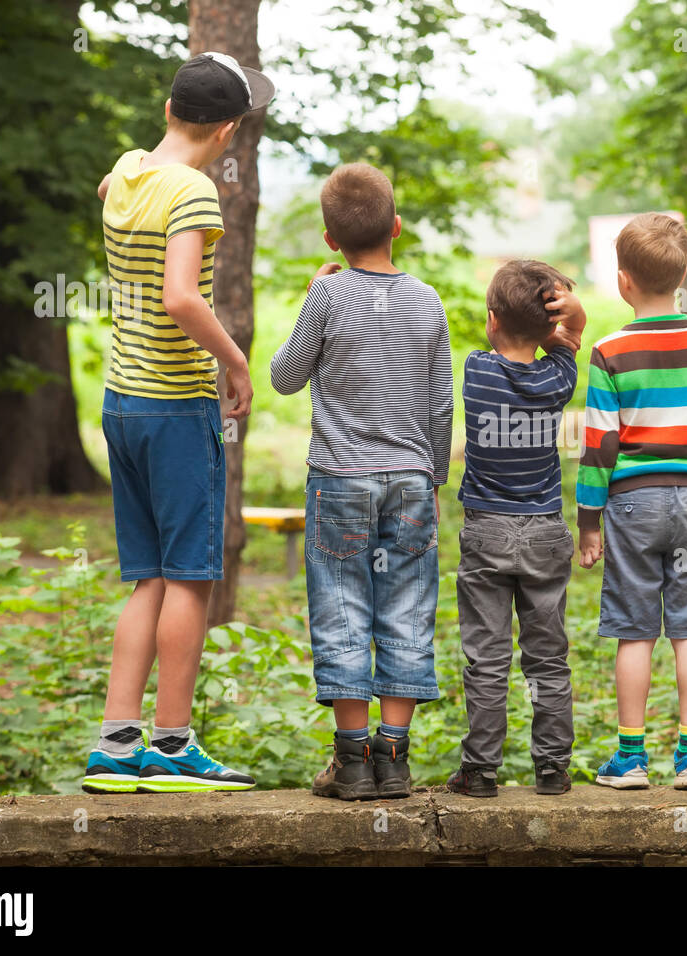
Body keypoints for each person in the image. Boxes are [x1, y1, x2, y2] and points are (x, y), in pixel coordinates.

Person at [83, 52, 274, 794]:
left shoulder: (129, 169)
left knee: (148, 577)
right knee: (189, 578)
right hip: (172, 402)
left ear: (169, 111)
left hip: (121, 402)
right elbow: (180, 298)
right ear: (226, 129)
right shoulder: (194, 192)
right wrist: (235, 362)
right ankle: (170, 744)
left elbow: (109, 182)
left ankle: (114, 744)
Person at [270, 162, 453, 801]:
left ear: (330, 242)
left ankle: (351, 764)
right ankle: (394, 759)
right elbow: (439, 399)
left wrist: (312, 298)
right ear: (396, 228)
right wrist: (437, 472)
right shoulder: (427, 300)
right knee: (407, 610)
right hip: (409, 479)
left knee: (342, 609)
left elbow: (285, 376)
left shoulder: (327, 294)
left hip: (339, 481)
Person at [577, 212, 687, 790]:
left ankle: (630, 758)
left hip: (632, 504)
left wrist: (588, 521)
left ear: (624, 280)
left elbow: (598, 445)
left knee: (634, 629)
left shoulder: (608, 351)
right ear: (682, 277)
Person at [444, 260, 587, 798]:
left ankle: (480, 771)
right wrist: (571, 323)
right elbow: (568, 343)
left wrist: (554, 328)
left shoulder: (476, 371)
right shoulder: (558, 379)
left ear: (491, 319)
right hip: (545, 532)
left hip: (486, 533)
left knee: (486, 658)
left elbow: (540, 340)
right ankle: (552, 768)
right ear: (549, 329)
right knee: (547, 657)